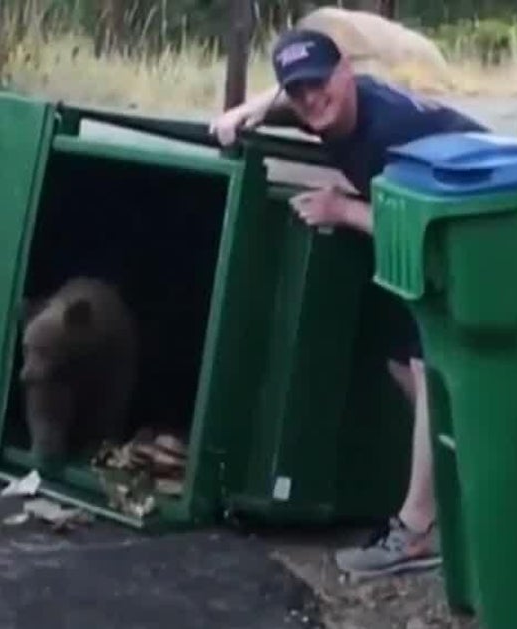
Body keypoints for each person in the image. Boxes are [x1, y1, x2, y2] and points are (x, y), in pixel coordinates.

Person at [209, 28, 488, 579]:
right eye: (299, 90)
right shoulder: (334, 105)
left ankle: (418, 528)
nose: (312, 99)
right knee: (395, 352)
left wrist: (342, 211)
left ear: (346, 73)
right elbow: (291, 95)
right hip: (445, 215)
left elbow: (428, 227)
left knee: (426, 358)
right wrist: (246, 109)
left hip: (478, 216)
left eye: (320, 84)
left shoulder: (390, 133)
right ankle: (469, 489)